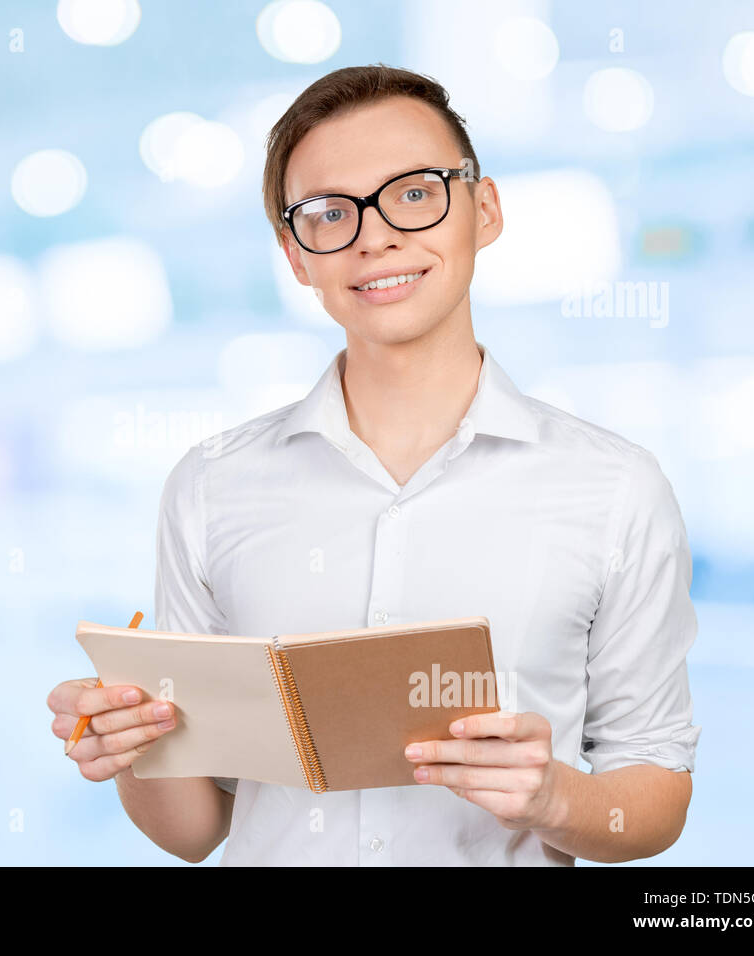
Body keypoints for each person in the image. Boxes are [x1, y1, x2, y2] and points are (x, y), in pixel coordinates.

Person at [47, 63, 700, 865]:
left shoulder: (615, 488)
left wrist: (555, 797)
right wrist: (130, 746)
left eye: (416, 192)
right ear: (296, 255)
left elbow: (656, 789)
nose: (375, 236)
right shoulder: (211, 486)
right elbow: (195, 831)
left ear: (484, 208)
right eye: (329, 213)